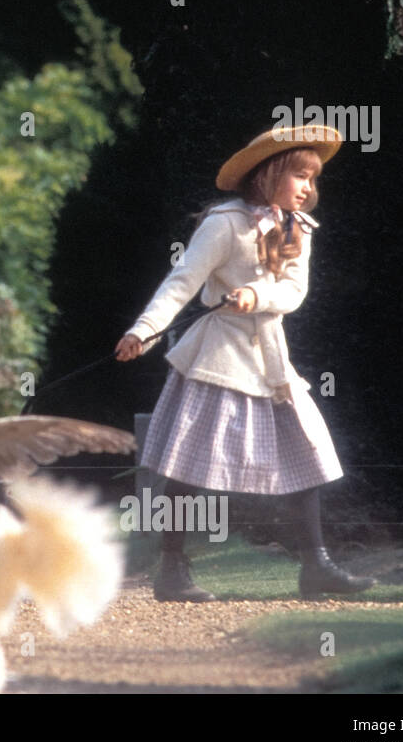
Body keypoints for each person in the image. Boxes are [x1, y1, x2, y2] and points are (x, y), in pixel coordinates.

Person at [114, 124, 376, 600]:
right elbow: (182, 282)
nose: (308, 188)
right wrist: (143, 332)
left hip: (270, 361)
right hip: (218, 359)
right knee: (188, 465)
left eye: (313, 179)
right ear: (268, 173)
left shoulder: (300, 229)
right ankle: (171, 570)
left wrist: (255, 295)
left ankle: (316, 566)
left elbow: (293, 291)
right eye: (299, 175)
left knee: (305, 453)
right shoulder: (225, 222)